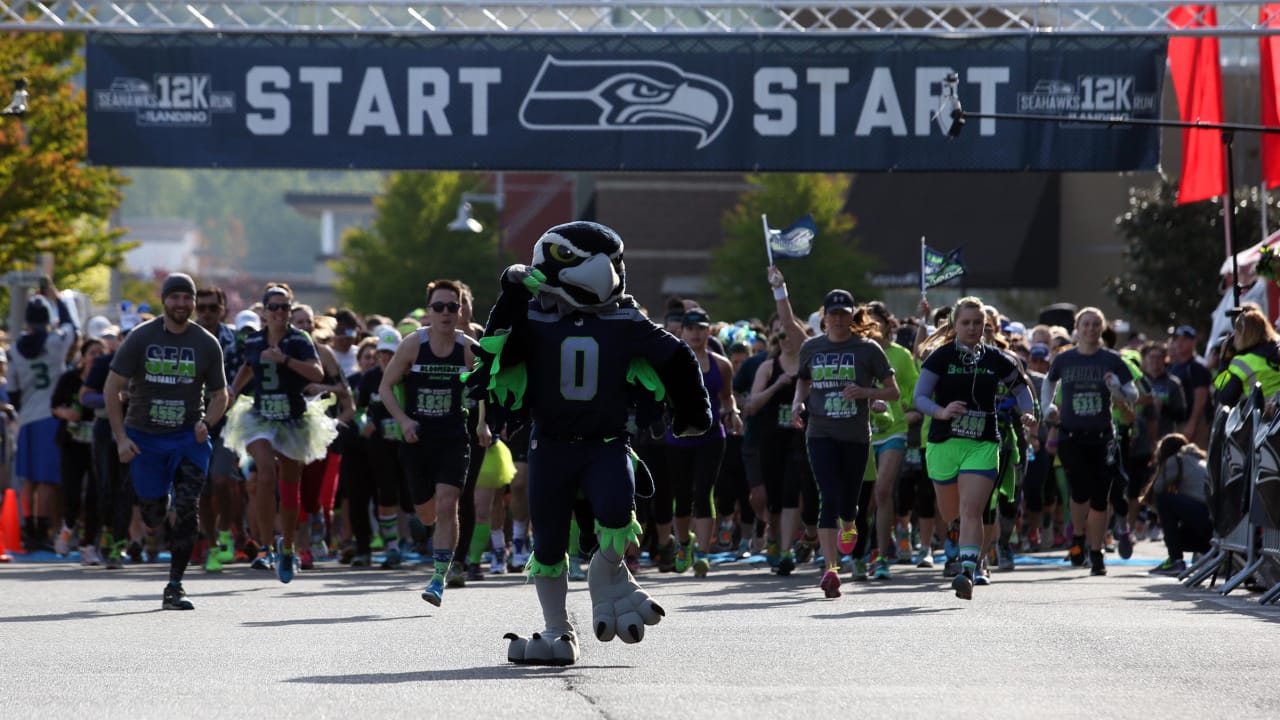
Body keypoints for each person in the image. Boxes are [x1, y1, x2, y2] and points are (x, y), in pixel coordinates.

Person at [469, 221, 711, 666]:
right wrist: (510, 294)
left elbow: (675, 356)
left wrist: (694, 413)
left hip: (607, 442)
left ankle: (607, 572)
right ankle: (558, 630)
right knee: (547, 541)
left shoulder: (625, 317)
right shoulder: (535, 313)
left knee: (619, 516)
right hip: (551, 443)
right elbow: (493, 349)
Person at [103, 273, 229, 610]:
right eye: (175, 298)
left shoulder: (205, 343)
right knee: (154, 516)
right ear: (164, 300)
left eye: (186, 298)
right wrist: (121, 438)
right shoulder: (141, 338)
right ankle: (160, 504)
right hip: (145, 438)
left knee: (188, 508)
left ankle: (175, 585)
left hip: (188, 437)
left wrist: (208, 421)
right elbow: (111, 388)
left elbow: (221, 394)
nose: (181, 304)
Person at [914, 297, 1036, 599]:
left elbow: (1022, 389)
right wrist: (940, 412)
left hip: (983, 441)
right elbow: (920, 397)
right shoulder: (940, 357)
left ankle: (968, 570)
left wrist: (1028, 412)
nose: (971, 328)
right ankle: (959, 548)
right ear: (955, 325)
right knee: (950, 510)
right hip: (944, 442)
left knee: (972, 509)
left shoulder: (997, 358)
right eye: (966, 323)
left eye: (977, 323)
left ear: (985, 326)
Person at [379, 279, 484, 606]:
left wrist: (483, 424)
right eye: (438, 307)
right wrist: (405, 420)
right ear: (429, 312)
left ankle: (439, 576)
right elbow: (385, 388)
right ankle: (433, 535)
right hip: (418, 438)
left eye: (451, 307)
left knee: (448, 501)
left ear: (460, 311)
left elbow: (485, 390)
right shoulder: (413, 345)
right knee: (427, 513)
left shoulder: (468, 348)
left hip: (453, 436)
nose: (445, 313)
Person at [225, 284, 338, 584]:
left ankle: (286, 546)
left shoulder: (298, 340)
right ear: (264, 311)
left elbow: (317, 373)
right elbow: (249, 367)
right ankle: (264, 545)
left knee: (290, 487)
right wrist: (232, 391)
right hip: (260, 416)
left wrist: (285, 360)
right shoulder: (255, 339)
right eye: (274, 307)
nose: (279, 313)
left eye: (285, 307)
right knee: (263, 472)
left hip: (292, 418)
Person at [791, 289, 900, 599]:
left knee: (849, 504)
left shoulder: (868, 349)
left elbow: (892, 393)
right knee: (828, 495)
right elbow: (803, 380)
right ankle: (831, 569)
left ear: (852, 316)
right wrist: (799, 402)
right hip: (820, 432)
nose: (838, 319)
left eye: (843, 313)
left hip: (854, 436)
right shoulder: (812, 347)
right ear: (824, 316)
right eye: (833, 314)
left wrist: (866, 393)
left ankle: (849, 524)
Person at [1041, 307, 1137, 577]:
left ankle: (1096, 553)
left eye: (1096, 325)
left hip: (1102, 437)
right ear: (1077, 327)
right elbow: (1049, 382)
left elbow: (1133, 392)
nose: (1091, 329)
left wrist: (1117, 387)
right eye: (1086, 324)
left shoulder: (1112, 360)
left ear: (1102, 328)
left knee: (1100, 497)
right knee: (1079, 492)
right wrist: (1047, 406)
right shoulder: (1065, 359)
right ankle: (1078, 538)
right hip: (1071, 436)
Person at [7, 280, 78, 551]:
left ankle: (30, 530)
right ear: (48, 319)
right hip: (50, 415)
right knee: (48, 479)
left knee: (30, 479)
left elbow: (12, 390)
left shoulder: (14, 350)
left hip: (27, 418)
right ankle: (44, 530)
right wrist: (57, 298)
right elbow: (74, 327)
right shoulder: (55, 342)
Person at [1143, 433, 1212, 576]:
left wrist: (1162, 514)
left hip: (1204, 518)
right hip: (1213, 525)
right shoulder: (1200, 460)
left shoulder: (1175, 460)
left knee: (1165, 500)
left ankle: (1175, 560)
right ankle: (1209, 556)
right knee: (1177, 535)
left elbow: (1156, 491)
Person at [1212, 305, 1280, 407]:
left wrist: (1223, 363)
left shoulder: (1242, 362)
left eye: (1236, 333)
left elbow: (1224, 398)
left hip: (1262, 418)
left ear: (1243, 334)